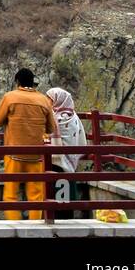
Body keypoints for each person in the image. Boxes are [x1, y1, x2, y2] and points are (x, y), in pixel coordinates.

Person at [0, 68, 57, 220]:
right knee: (36, 195)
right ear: (33, 83)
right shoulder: (43, 100)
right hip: (36, 156)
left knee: (11, 194)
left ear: (17, 82)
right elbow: (51, 128)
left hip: (14, 154)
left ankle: (15, 227)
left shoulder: (10, 97)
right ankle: (34, 228)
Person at [47, 86, 88, 219]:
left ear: (58, 100)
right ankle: (66, 218)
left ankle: (59, 219)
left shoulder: (55, 118)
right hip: (69, 163)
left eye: (50, 99)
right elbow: (80, 138)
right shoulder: (74, 116)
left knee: (58, 192)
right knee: (65, 194)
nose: (48, 102)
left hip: (57, 162)